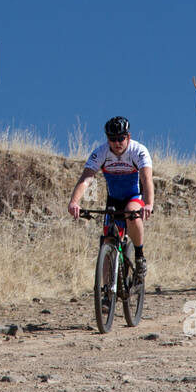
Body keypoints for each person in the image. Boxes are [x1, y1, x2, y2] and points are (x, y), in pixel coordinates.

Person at [69, 117, 154, 276]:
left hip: (134, 196)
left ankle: (139, 256)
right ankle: (107, 294)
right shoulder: (101, 152)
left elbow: (146, 179)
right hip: (114, 200)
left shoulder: (139, 151)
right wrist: (74, 202)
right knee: (108, 241)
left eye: (121, 138)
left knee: (131, 212)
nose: (117, 142)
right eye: (112, 139)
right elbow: (86, 179)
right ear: (107, 139)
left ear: (128, 136)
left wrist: (148, 204)